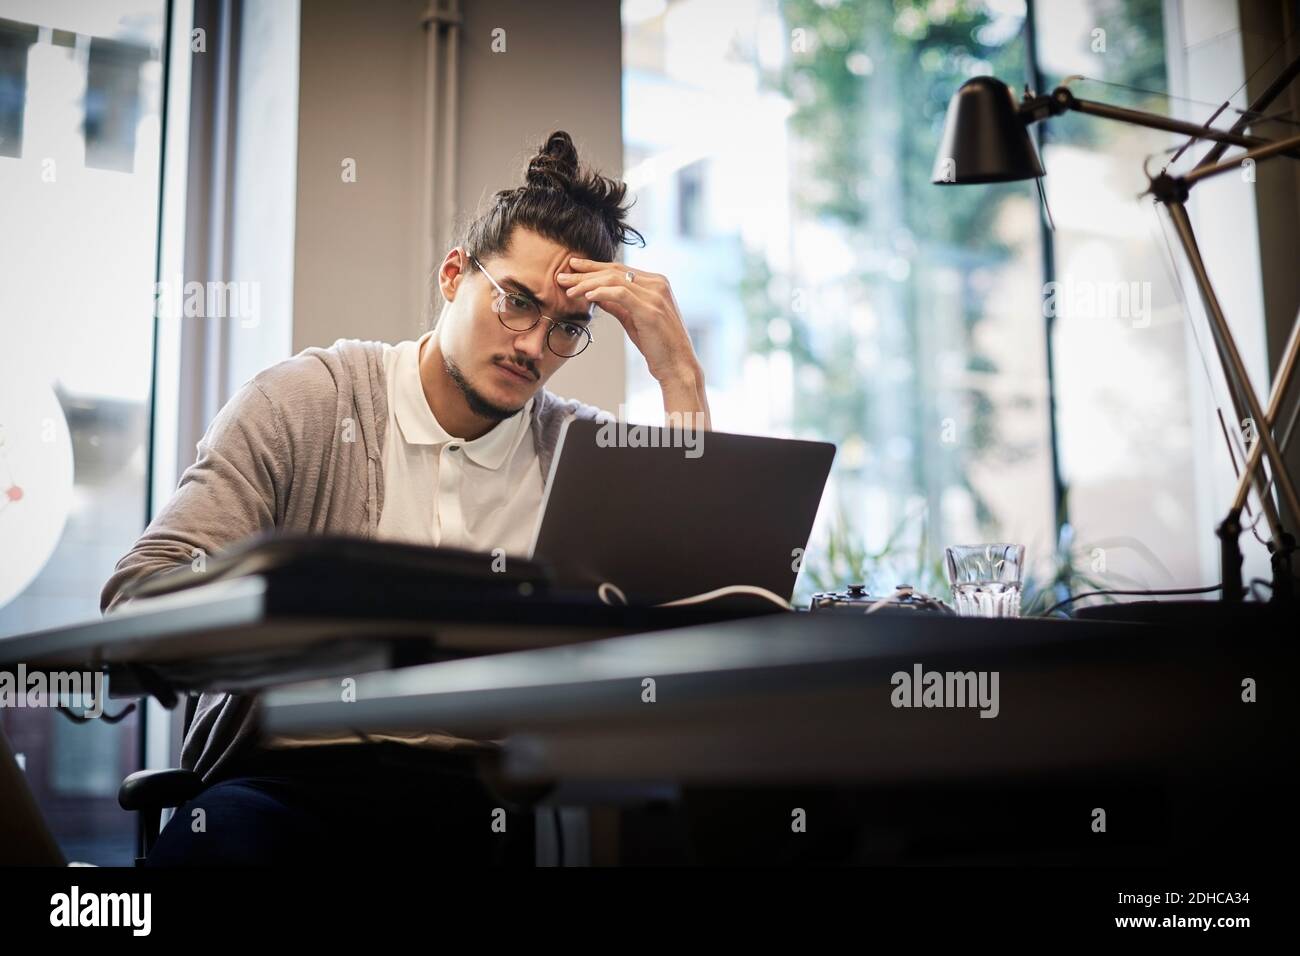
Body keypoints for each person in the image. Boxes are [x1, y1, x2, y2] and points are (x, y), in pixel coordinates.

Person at [101, 130, 710, 865]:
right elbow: (138, 596)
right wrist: (302, 622)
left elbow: (696, 623)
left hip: (475, 806)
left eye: (565, 329)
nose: (532, 346)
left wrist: (678, 375)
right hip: (285, 784)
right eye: (515, 302)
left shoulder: (580, 457)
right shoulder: (309, 401)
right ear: (454, 275)